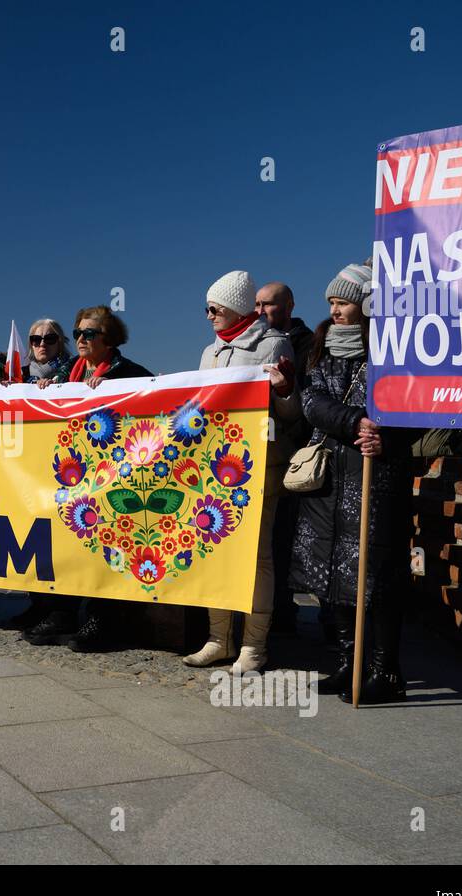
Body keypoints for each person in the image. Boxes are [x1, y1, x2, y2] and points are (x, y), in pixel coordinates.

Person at [290, 264, 417, 704]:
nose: (334, 310)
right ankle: (349, 663)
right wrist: (354, 421)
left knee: (374, 573)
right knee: (330, 571)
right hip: (330, 473)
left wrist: (386, 433)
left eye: (342, 302)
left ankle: (386, 671)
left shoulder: (397, 350)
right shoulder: (321, 348)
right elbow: (311, 399)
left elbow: (418, 404)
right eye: (331, 302)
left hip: (375, 472)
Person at [185, 270, 300, 674]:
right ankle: (219, 638)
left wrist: (284, 390)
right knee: (213, 548)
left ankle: (254, 645)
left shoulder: (274, 344)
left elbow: (291, 413)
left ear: (234, 307)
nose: (209, 315)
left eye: (214, 308)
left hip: (258, 463)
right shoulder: (209, 352)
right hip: (213, 465)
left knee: (257, 555)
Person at [27, 306, 153, 650]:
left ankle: (104, 618)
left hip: (111, 478)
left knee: (105, 545)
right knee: (65, 543)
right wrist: (46, 391)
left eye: (90, 334)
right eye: (78, 332)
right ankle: (61, 613)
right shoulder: (68, 373)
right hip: (70, 476)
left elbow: (154, 411)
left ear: (108, 339)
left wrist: (113, 391)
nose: (81, 339)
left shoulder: (130, 372)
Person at [4, 317, 74, 631]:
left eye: (49, 339)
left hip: (61, 470)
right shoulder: (21, 377)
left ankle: (62, 611)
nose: (42, 345)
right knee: (32, 538)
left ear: (61, 342)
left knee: (60, 540)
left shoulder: (73, 371)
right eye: (35, 339)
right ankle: (38, 604)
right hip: (27, 470)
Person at [256, 282, 314, 636]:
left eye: (269, 305)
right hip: (260, 454)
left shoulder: (308, 345)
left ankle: (281, 614)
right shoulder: (252, 343)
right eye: (257, 305)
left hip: (293, 453)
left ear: (289, 305)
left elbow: (305, 398)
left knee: (284, 538)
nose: (261, 311)